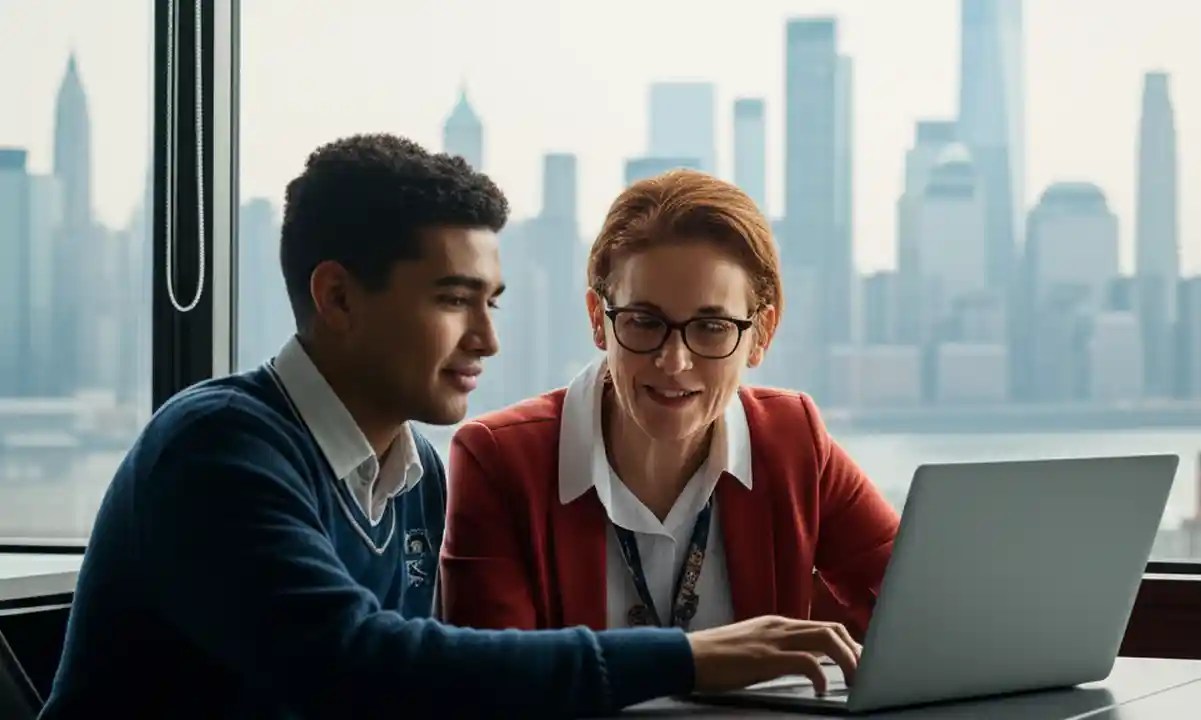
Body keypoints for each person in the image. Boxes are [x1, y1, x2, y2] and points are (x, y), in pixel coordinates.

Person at [41, 136, 860, 719]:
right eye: (452, 299)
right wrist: (689, 657)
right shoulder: (217, 449)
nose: (487, 338)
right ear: (338, 298)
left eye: (491, 302)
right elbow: (362, 667)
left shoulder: (413, 473)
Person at [441, 170, 901, 639]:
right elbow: (493, 685)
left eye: (711, 327)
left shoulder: (793, 438)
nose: (674, 361)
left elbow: (918, 603)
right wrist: (692, 667)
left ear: (761, 334)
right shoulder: (498, 460)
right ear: (598, 320)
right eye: (644, 321)